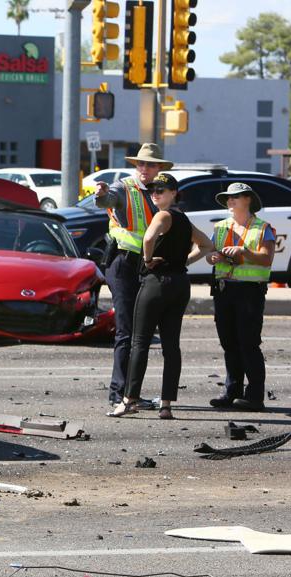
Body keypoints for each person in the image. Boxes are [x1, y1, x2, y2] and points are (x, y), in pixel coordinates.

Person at [110, 174, 214, 419]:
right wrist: (184, 261)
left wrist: (147, 260)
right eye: (154, 190)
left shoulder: (162, 215)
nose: (156, 193)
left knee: (140, 342)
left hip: (156, 283)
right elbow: (207, 244)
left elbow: (148, 237)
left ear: (174, 193)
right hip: (180, 283)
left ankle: (129, 400)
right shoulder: (184, 219)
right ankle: (166, 404)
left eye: (162, 190)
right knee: (171, 346)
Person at [94, 143, 171, 406]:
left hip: (147, 266)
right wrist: (101, 194)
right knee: (126, 330)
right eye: (141, 164)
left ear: (159, 168)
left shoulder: (159, 194)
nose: (144, 169)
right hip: (123, 263)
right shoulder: (123, 187)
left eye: (150, 164)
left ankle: (131, 394)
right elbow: (106, 199)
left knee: (142, 332)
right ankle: (119, 395)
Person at [207, 181, 277, 411]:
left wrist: (244, 252)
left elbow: (267, 259)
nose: (230, 200)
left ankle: (255, 396)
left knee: (248, 343)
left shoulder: (262, 227)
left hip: (250, 291)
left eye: (234, 197)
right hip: (224, 289)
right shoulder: (221, 227)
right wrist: (214, 258)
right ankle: (232, 391)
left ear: (248, 199)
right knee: (229, 343)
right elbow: (211, 255)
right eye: (228, 198)